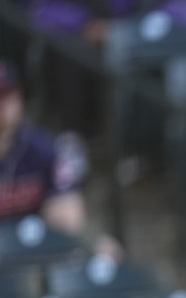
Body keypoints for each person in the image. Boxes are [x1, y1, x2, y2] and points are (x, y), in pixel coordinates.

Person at [24, 0, 186, 137]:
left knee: (165, 62)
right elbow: (38, 6)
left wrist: (143, 30)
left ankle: (148, 147)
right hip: (88, 45)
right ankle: (75, 138)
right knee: (69, 51)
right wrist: (82, 22)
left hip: (143, 41)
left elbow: (185, 6)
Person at [0, 58, 121, 258]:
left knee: (107, 252)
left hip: (32, 255)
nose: (2, 106)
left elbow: (68, 221)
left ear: (19, 97)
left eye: (7, 95)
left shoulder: (42, 149)